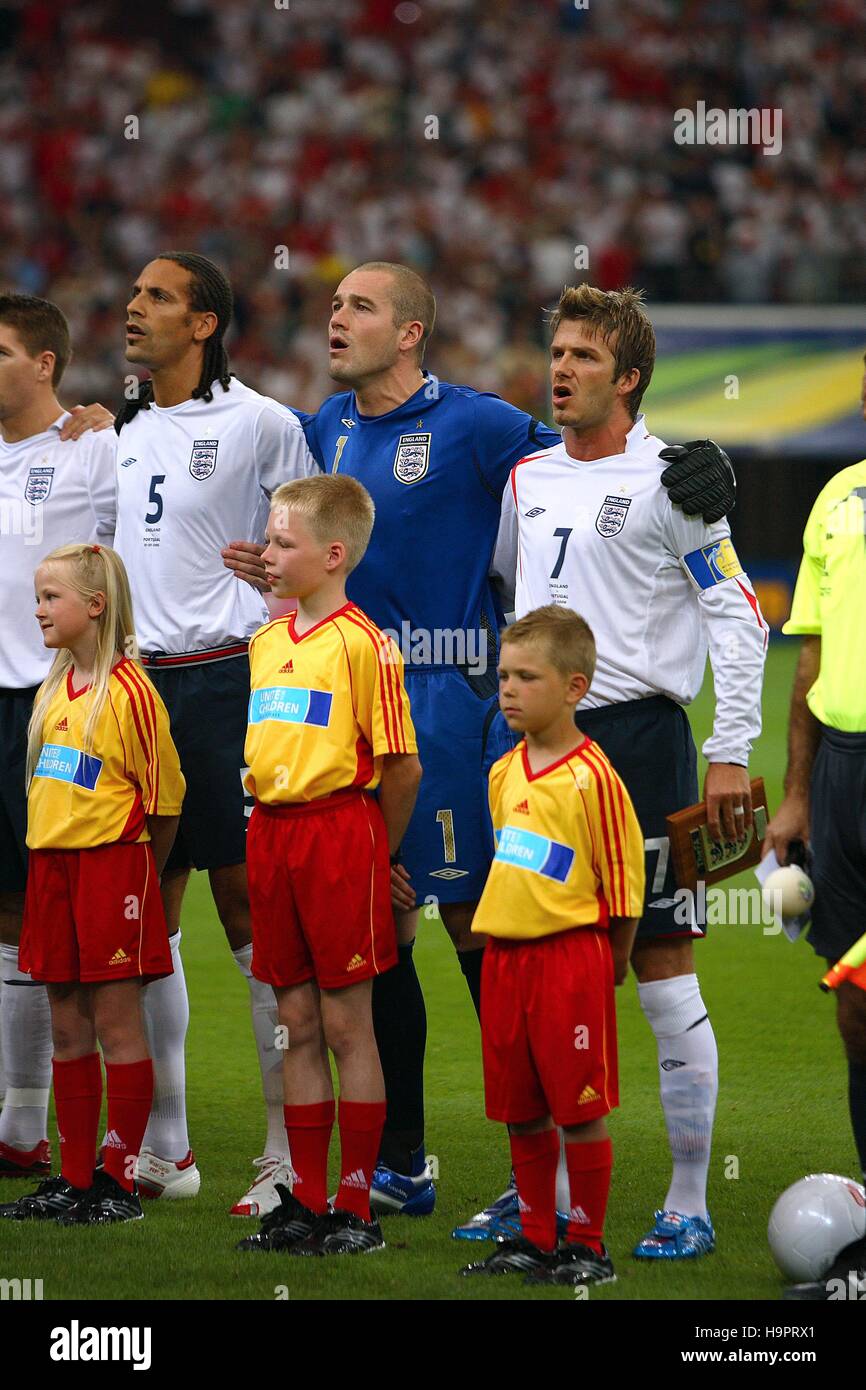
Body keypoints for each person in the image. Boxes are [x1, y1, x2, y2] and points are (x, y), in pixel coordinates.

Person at [222, 260, 737, 1228]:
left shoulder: (482, 426)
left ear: (410, 331)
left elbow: (608, 467)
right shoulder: (318, 431)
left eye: (358, 306)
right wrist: (274, 569)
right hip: (346, 707)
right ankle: (401, 1161)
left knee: (482, 929)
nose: (333, 319)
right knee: (377, 935)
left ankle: (560, 1181)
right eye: (330, 305)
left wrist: (705, 464)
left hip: (451, 712)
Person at [493, 284, 768, 1259]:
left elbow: (738, 614)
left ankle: (686, 1201)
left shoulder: (673, 483)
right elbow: (509, 594)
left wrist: (729, 750)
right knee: (537, 972)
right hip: (537, 757)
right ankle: (545, 1188)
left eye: (582, 356)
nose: (560, 368)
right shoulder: (524, 478)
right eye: (556, 351)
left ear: (629, 378)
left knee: (655, 968)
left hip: (639, 749)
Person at [114, 252, 318, 1214]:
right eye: (135, 293)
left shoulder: (265, 425)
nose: (133, 307)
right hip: (137, 690)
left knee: (250, 916)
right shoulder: (119, 425)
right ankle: (168, 1149)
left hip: (229, 682)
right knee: (143, 915)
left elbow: (318, 557)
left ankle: (282, 1158)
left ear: (204, 324)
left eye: (156, 296)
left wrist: (273, 577)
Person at [235, 474, 421, 1256]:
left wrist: (378, 854)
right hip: (272, 837)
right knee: (296, 1021)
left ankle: (357, 1207)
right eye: (270, 538)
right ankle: (305, 1200)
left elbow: (400, 766)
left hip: (340, 836)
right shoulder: (266, 640)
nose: (268, 554)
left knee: (349, 1025)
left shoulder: (363, 644)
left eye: (283, 543)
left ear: (333, 554)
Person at [458, 606, 644, 1286]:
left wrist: (610, 965)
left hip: (571, 961)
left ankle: (588, 1247)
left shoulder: (593, 779)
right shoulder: (503, 773)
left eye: (526, 677)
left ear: (574, 687)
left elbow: (625, 889)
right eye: (504, 675)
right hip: (505, 960)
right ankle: (535, 1239)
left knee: (579, 1107)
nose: (507, 688)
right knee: (523, 1108)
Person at [0, 543, 184, 1224]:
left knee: (116, 1024)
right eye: (40, 596)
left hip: (112, 869)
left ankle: (120, 1182)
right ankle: (75, 1180)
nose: (39, 608)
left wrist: (138, 875)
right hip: (52, 870)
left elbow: (165, 803)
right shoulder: (53, 687)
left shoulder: (131, 693)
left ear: (95, 606)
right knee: (68, 1026)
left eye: (52, 598)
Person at [0, 294, 116, 1182]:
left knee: (38, 915)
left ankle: (34, 1125)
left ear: (44, 363)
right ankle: (18, 1125)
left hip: (44, 704)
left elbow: (124, 569)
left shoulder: (91, 449)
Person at [763, 383, 866, 1297]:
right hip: (841, 776)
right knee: (856, 1003)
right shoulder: (840, 494)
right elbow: (813, 651)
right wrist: (795, 794)